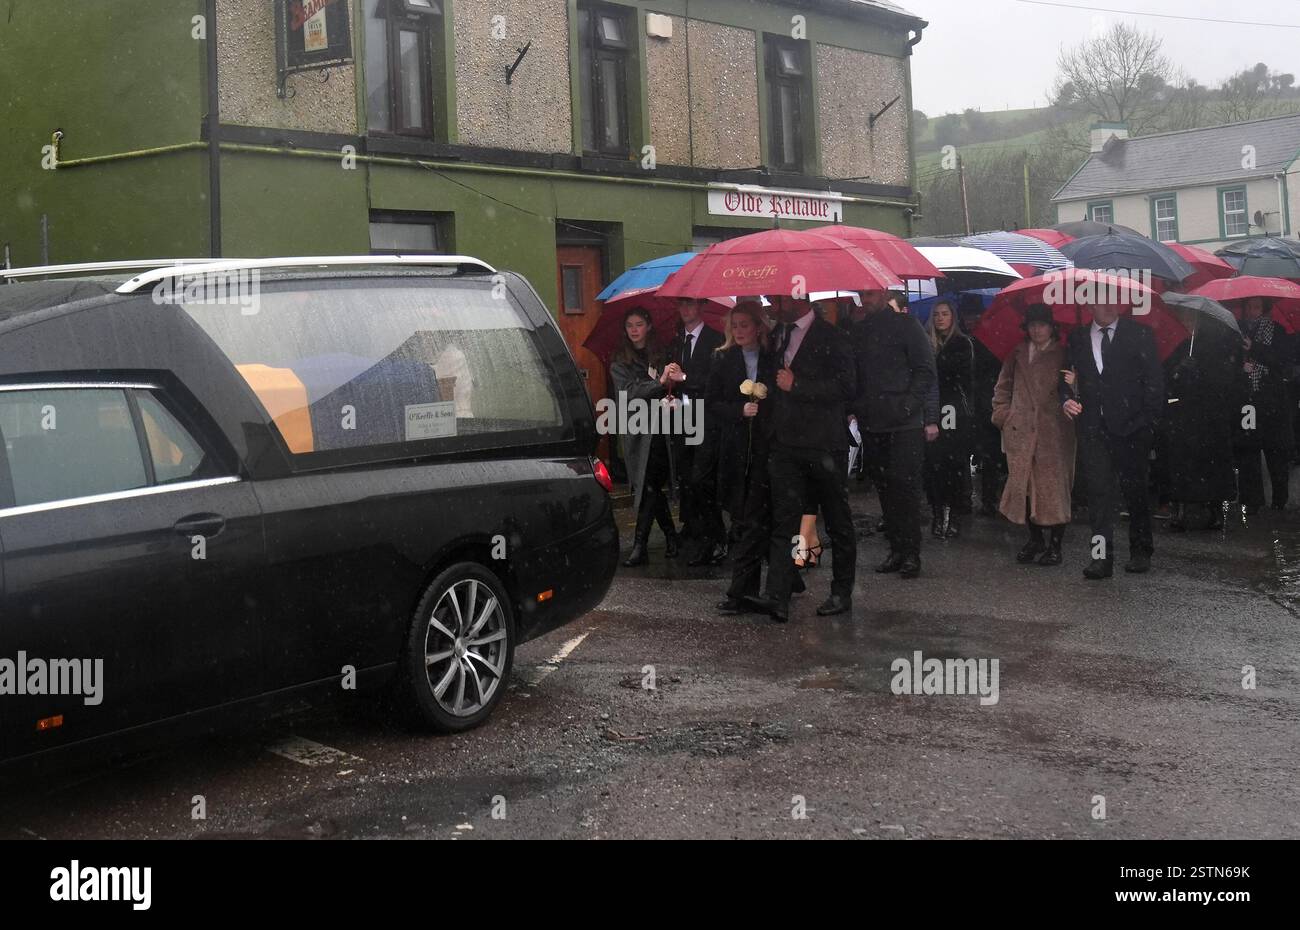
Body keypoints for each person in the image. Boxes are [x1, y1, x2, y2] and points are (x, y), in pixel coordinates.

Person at [750, 295, 858, 623]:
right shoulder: (778, 336)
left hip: (824, 443)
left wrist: (798, 385)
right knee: (785, 520)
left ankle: (841, 592)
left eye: (779, 298)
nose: (774, 304)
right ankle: (778, 596)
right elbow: (773, 382)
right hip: (786, 444)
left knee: (837, 519)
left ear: (799, 297)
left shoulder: (834, 337)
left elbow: (846, 386)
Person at [711, 303, 805, 612]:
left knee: (757, 519)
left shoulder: (771, 358)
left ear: (758, 327)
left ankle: (747, 591)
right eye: (734, 325)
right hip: (737, 451)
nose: (738, 331)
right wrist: (739, 411)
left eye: (744, 325)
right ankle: (754, 587)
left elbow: (780, 399)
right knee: (745, 519)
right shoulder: (723, 359)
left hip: (767, 449)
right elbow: (712, 403)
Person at [1061, 303, 1163, 579]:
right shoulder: (1077, 337)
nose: (1106, 307)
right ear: (1090, 305)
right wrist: (1067, 399)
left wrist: (1147, 423)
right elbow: (1064, 378)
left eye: (1112, 301)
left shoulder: (1139, 333)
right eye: (1100, 301)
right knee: (1098, 493)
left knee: (1135, 491)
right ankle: (1100, 558)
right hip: (1094, 428)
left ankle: (1141, 550)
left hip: (1133, 429)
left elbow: (1154, 380)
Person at [852, 289, 937, 579]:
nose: (866, 300)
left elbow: (925, 370)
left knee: (906, 488)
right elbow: (856, 374)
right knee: (885, 488)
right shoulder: (861, 329)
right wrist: (859, 405)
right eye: (862, 294)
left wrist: (908, 405)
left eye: (871, 294)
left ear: (884, 293)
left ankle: (911, 552)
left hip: (904, 424)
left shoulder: (907, 325)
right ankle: (896, 548)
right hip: (873, 421)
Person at [992, 304, 1075, 565]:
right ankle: (1035, 538)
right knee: (1025, 486)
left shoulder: (1064, 355)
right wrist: (1004, 416)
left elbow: (1074, 393)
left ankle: (1055, 545)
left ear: (1052, 327)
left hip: (1054, 433)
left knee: (1054, 488)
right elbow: (1002, 388)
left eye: (1042, 324)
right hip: (1020, 431)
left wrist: (1076, 383)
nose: (1037, 329)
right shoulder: (1016, 354)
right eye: (1032, 324)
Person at [611, 308, 680, 567]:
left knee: (650, 484)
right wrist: (658, 384)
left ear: (649, 326)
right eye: (630, 325)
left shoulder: (661, 354)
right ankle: (668, 538)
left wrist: (671, 384)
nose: (634, 329)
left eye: (639, 324)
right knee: (648, 485)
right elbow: (628, 392)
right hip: (637, 431)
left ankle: (641, 545)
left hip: (661, 430)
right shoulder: (620, 361)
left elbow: (670, 384)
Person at [1164, 306, 1241, 530]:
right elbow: (1168, 377)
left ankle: (1214, 508)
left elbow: (1225, 379)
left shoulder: (1217, 344)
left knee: (1212, 464)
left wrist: (1201, 375)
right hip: (1183, 413)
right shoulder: (1178, 343)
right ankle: (1180, 509)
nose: (1187, 322)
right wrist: (1180, 372)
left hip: (1211, 415)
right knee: (1181, 462)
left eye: (1191, 317)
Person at [665, 298, 726, 564]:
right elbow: (675, 381)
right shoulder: (677, 341)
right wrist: (671, 392)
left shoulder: (716, 339)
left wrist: (686, 379)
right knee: (687, 479)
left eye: (690, 305)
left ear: (700, 307)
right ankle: (695, 528)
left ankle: (715, 538)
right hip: (683, 418)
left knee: (703, 480)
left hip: (707, 419)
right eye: (682, 305)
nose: (685, 310)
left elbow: (715, 381)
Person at [1233, 297, 1294, 513]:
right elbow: (1229, 357)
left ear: (1264, 308)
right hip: (1247, 400)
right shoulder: (1236, 329)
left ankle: (1279, 498)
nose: (1252, 311)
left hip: (1271, 401)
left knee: (1275, 450)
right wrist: (1240, 367)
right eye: (1249, 306)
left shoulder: (1276, 331)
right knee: (1248, 450)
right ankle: (1251, 500)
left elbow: (1282, 361)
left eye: (1257, 307)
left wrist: (1255, 348)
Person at [923, 299, 975, 539]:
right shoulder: (926, 343)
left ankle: (954, 515)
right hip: (931, 409)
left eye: (944, 314)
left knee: (954, 464)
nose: (940, 318)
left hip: (955, 409)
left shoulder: (962, 343)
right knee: (934, 465)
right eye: (936, 315)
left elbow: (957, 375)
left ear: (952, 317)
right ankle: (936, 512)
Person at [960, 296, 1006, 516]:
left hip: (987, 405)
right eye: (967, 316)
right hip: (967, 405)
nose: (970, 320)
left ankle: (989, 500)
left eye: (974, 316)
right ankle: (965, 498)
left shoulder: (991, 340)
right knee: (964, 453)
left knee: (990, 455)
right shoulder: (961, 340)